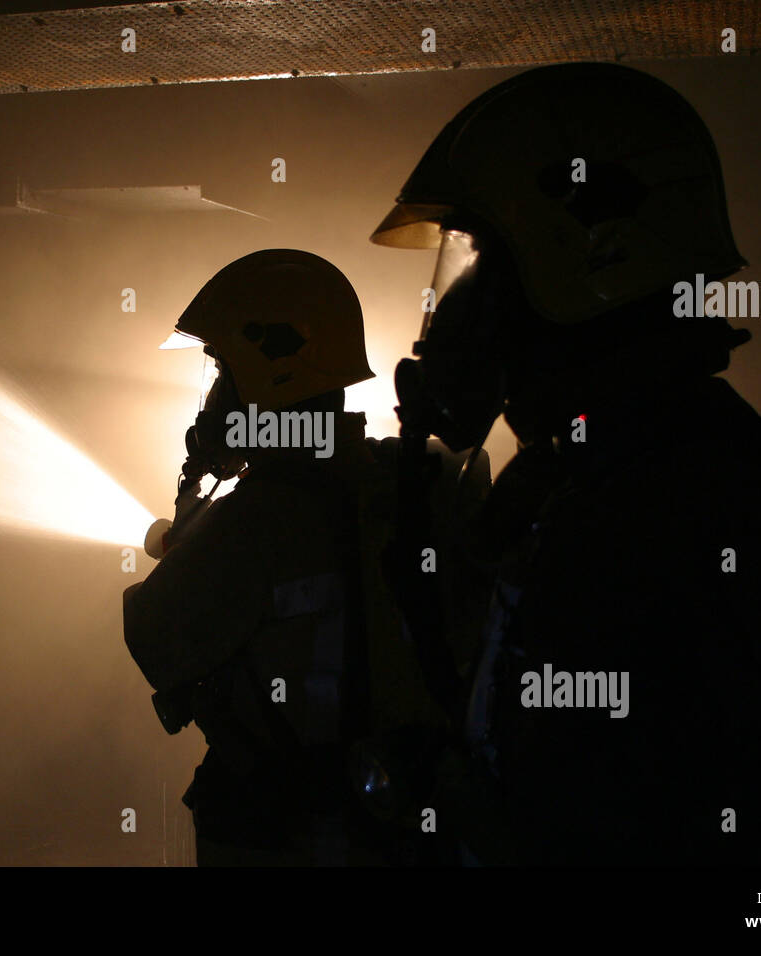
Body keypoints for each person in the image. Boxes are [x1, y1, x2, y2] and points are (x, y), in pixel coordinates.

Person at [370, 62, 761, 864]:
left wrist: (435, 801)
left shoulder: (659, 506)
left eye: (480, 264)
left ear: (580, 264)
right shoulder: (616, 467)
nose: (454, 309)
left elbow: (582, 823)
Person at [123, 249, 490, 865]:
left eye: (222, 373)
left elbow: (154, 637)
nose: (215, 397)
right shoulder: (409, 484)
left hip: (285, 835)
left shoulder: (254, 521)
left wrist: (198, 487)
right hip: (407, 832)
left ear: (268, 373)